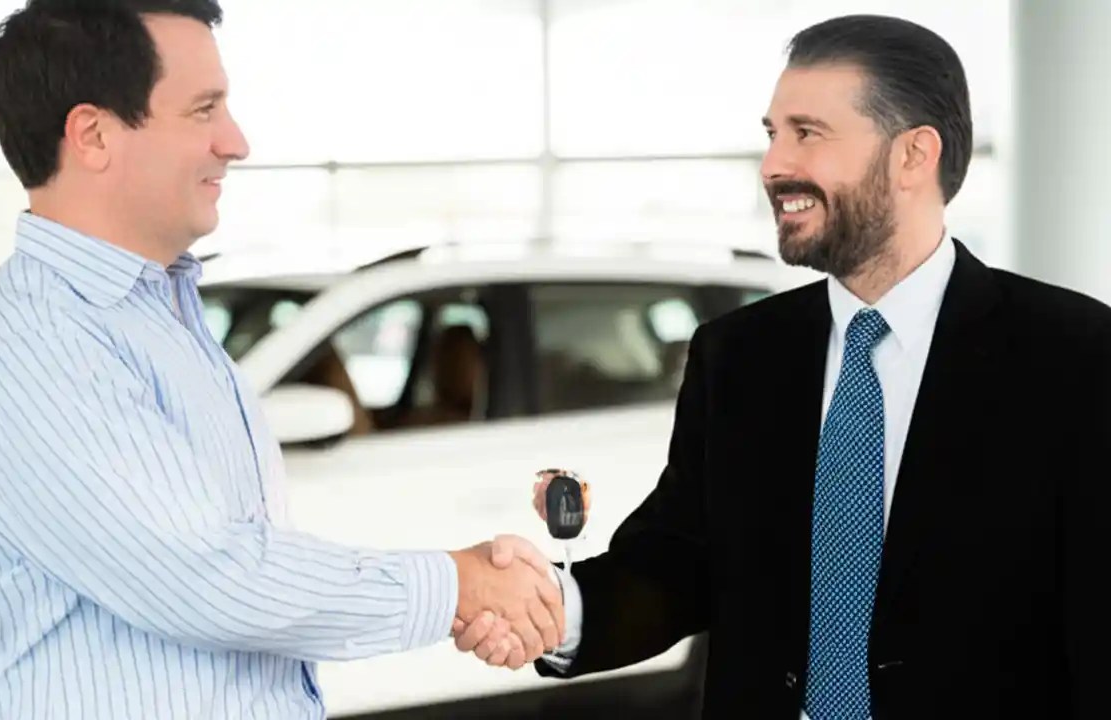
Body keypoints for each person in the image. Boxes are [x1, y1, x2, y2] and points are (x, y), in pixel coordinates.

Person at [455, 13, 1111, 719]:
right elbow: (679, 562)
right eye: (772, 135)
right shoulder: (738, 354)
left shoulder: (1074, 353)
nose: (773, 166)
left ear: (914, 155)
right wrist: (557, 610)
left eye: (808, 133)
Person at [0, 1, 562, 717]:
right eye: (204, 110)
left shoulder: (158, 312)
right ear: (93, 134)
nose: (236, 141)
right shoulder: (32, 342)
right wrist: (455, 587)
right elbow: (201, 575)